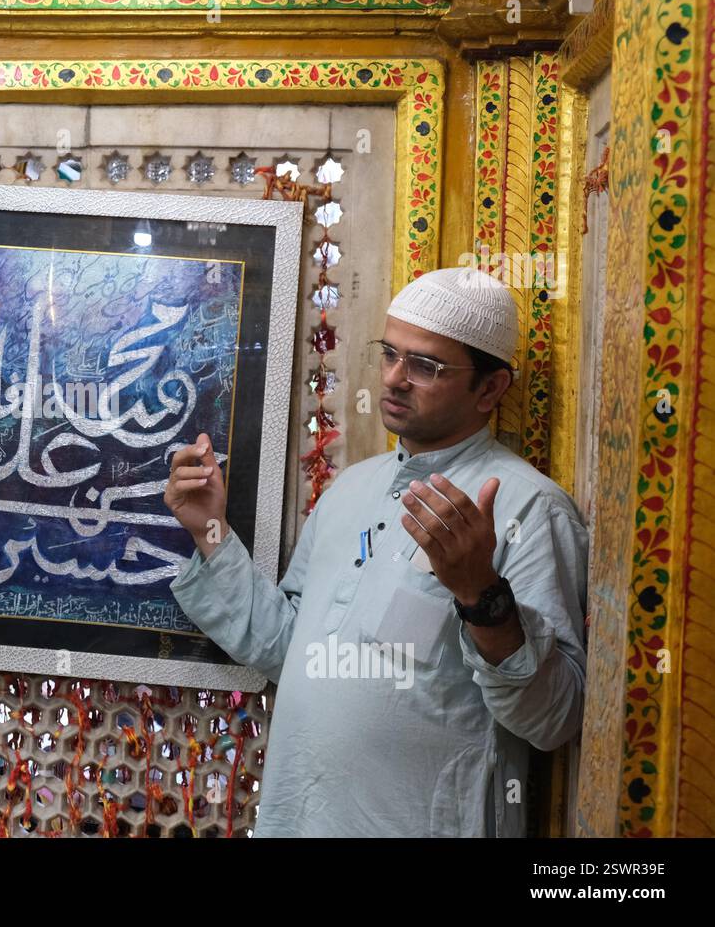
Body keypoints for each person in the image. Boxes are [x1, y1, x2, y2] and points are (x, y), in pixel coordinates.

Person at [164, 266, 588, 837]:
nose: (393, 378)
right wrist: (208, 530)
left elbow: (554, 717)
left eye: (425, 366)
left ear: (490, 388)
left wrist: (479, 593)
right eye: (389, 354)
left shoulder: (528, 508)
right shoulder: (351, 490)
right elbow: (287, 646)